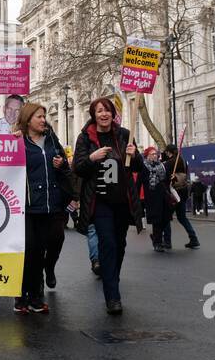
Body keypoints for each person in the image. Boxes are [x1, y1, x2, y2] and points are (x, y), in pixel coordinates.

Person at [72, 97, 142, 315]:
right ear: (94, 115)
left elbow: (137, 167)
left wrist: (135, 155)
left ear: (113, 113)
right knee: (108, 243)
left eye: (107, 111)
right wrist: (92, 157)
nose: (104, 114)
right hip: (99, 201)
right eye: (99, 111)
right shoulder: (86, 138)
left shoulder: (123, 135)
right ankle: (113, 296)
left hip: (122, 200)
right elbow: (78, 167)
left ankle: (112, 278)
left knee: (119, 245)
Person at [16, 102, 75, 312]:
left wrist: (61, 164)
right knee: (29, 251)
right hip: (27, 206)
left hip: (52, 205)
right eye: (39, 116)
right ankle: (22, 296)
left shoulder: (51, 139)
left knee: (43, 248)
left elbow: (64, 166)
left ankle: (36, 296)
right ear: (27, 119)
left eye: (44, 116)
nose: (43, 120)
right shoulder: (18, 141)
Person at [167, 145, 200, 248]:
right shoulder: (183, 162)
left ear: (169, 152)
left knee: (166, 218)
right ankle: (193, 237)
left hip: (174, 193)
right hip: (183, 192)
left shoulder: (170, 162)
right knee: (182, 217)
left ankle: (166, 241)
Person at [142, 147, 171, 251]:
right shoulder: (144, 166)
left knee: (166, 218)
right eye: (152, 154)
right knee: (156, 220)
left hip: (163, 195)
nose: (155, 155)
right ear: (147, 156)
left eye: (156, 154)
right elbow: (139, 182)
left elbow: (165, 179)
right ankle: (157, 243)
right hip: (152, 197)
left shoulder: (161, 166)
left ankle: (155, 237)